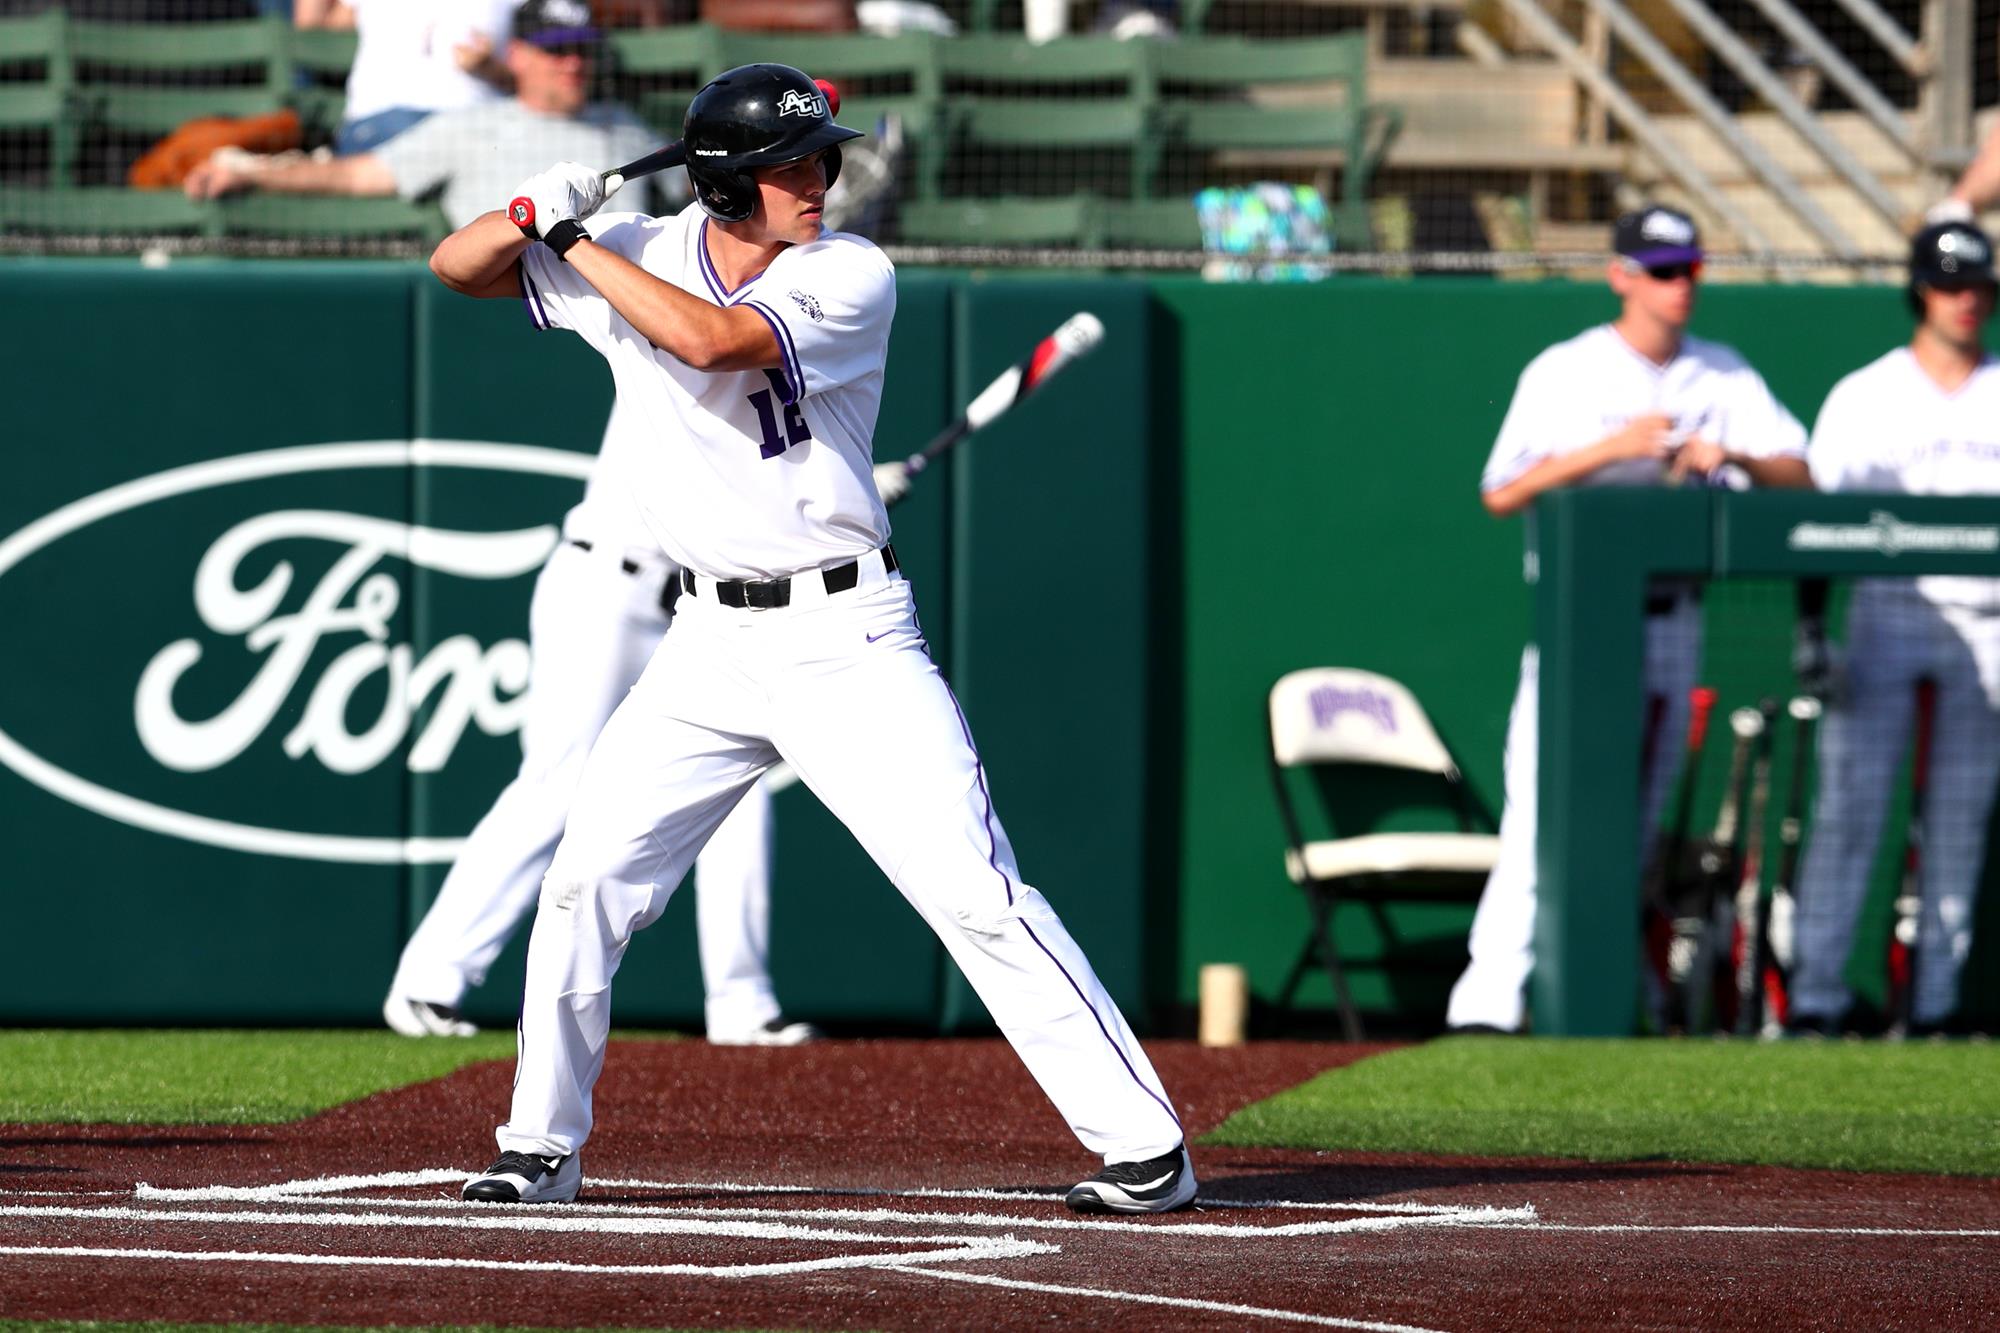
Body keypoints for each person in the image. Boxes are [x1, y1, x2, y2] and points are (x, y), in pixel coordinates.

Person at [428, 61, 1195, 1214]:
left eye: (820, 159)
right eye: (791, 164)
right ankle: (540, 1144)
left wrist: (572, 239)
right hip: (704, 641)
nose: (819, 180)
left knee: (973, 891)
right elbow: (456, 268)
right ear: (724, 183)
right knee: (587, 881)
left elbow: (709, 341)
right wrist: (527, 212)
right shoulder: (638, 247)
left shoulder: (846, 270)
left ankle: (1147, 1149)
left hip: (845, 637)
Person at [1445, 205, 1812, 1035]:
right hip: (1579, 623)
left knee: (1640, 821)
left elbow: (1802, 475)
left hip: (1677, 618)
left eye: (1691, 268)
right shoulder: (1568, 369)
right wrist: (1613, 449)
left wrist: (1733, 456)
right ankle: (1487, 1003)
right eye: (1663, 270)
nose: (1681, 285)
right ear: (1621, 276)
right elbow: (1501, 490)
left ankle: (1618, 995)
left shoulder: (1723, 374)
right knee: (1541, 814)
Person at [1786, 221, 2000, 1040]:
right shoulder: (1866, 394)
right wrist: (1812, 625)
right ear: (1920, 291)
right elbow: (1813, 522)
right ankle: (1817, 997)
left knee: (1960, 822)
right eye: (1950, 285)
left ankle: (1936, 1003)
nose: (1966, 300)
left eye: (1978, 285)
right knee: (1849, 810)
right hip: (1887, 615)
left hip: (1987, 622)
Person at [188, 0, 684, 228]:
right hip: (529, 306)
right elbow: (355, 176)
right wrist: (253, 174)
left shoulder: (626, 126)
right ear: (518, 55)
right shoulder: (469, 128)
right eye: (557, 50)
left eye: (582, 49)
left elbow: (695, 185)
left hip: (627, 310)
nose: (573, 63)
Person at [293, 0, 517, 157]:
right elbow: (314, 23)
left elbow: (531, 75)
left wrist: (489, 68)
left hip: (477, 125)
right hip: (383, 122)